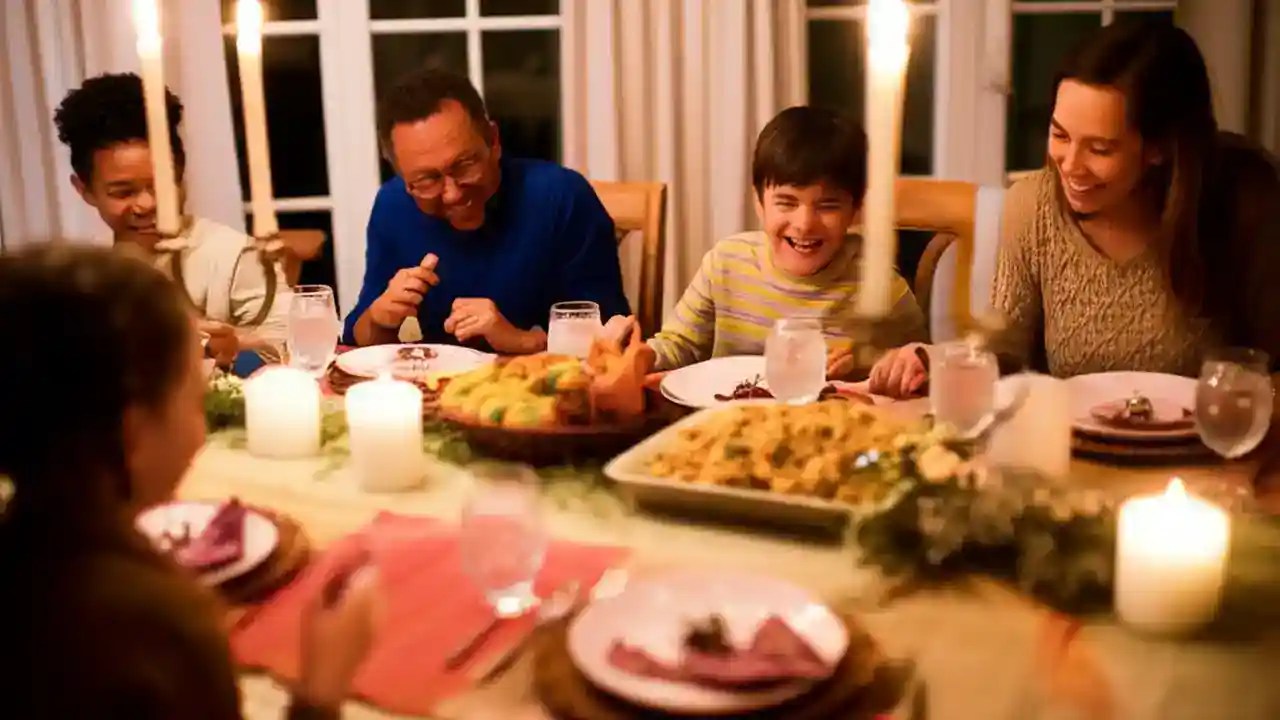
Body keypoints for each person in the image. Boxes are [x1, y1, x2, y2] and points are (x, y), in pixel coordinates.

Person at [0, 245, 377, 718]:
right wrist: (321, 690)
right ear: (132, 433)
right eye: (195, 401)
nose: (200, 432)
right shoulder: (151, 635)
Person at [870, 22, 1280, 397]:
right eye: (1059, 135)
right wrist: (934, 359)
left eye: (1100, 148)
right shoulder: (1033, 207)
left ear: (1160, 148)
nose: (1070, 165)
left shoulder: (1244, 200)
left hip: (1212, 463)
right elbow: (1003, 356)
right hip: (1076, 460)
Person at [344, 68, 630, 353]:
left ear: (493, 141)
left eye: (465, 165)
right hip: (440, 390)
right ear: (403, 178)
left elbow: (614, 339)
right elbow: (358, 335)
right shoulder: (393, 205)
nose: (453, 193)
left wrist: (518, 340)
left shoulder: (562, 197)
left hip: (542, 388)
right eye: (427, 180)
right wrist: (380, 318)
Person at [642, 106, 926, 372]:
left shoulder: (880, 286)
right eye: (787, 202)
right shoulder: (726, 263)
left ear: (856, 209)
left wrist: (874, 367)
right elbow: (679, 346)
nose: (804, 224)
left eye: (828, 206)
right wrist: (641, 357)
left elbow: (918, 368)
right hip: (727, 417)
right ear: (759, 202)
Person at [55, 73, 289, 370]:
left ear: (181, 172)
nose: (147, 204)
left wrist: (233, 349)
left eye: (161, 185)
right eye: (122, 192)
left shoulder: (234, 257)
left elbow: (288, 352)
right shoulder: (87, 280)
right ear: (84, 190)